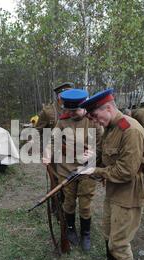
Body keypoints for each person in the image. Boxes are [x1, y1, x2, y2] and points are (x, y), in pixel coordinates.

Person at [78, 89, 144, 260]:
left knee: (119, 241)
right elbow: (102, 154)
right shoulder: (110, 127)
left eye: (95, 116)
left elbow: (126, 172)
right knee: (108, 229)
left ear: (108, 108)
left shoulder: (131, 130)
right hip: (113, 187)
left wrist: (95, 171)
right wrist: (90, 161)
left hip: (129, 192)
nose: (95, 121)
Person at [42, 89, 103, 251]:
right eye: (68, 110)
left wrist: (94, 153)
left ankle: (85, 233)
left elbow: (103, 145)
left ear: (84, 107)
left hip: (87, 171)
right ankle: (70, 229)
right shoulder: (62, 121)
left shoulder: (94, 121)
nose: (72, 113)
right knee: (68, 202)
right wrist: (47, 153)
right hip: (66, 170)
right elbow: (53, 140)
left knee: (85, 204)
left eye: (75, 110)